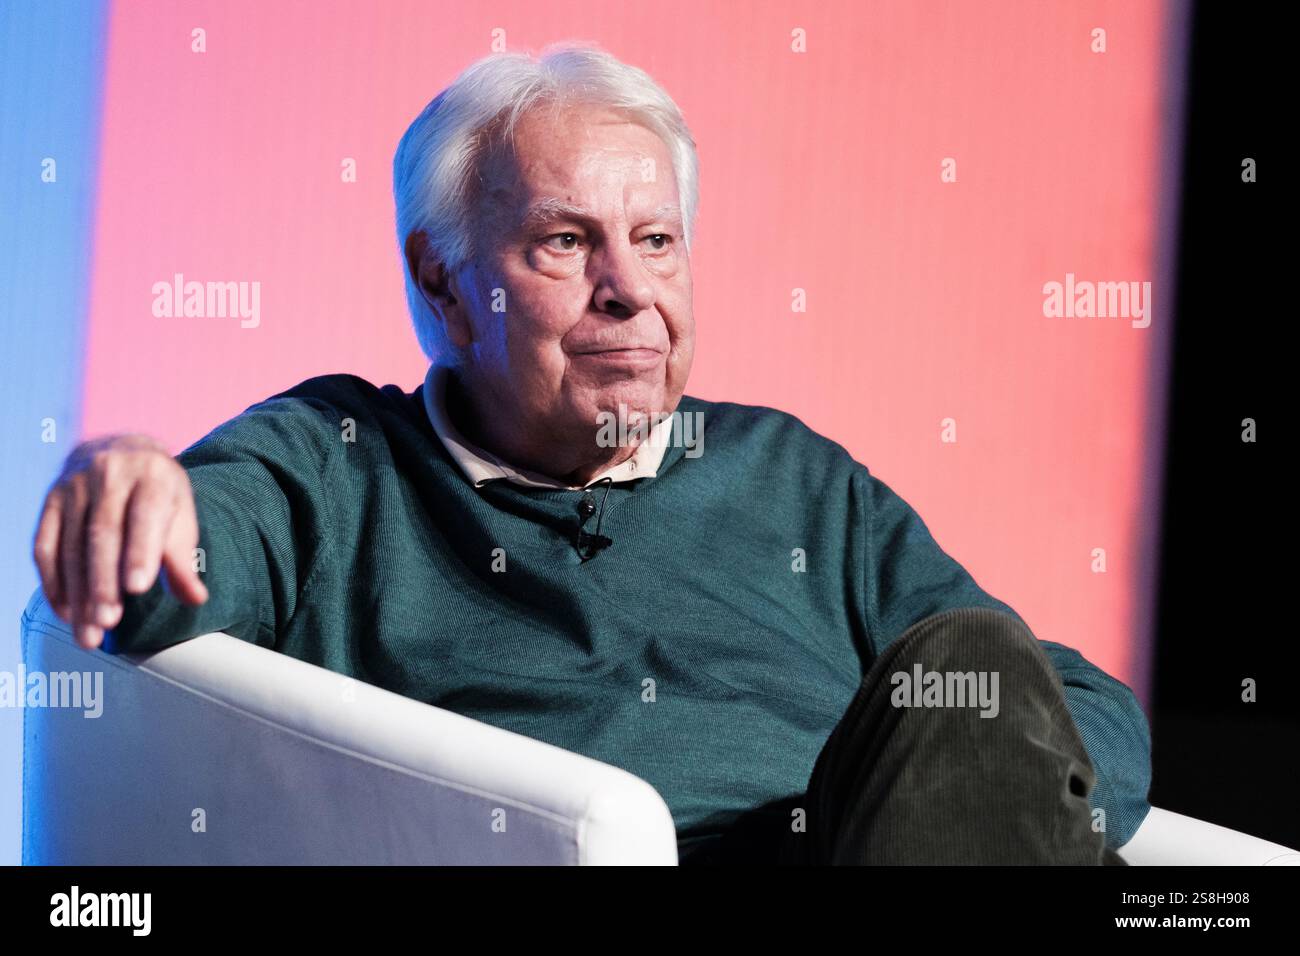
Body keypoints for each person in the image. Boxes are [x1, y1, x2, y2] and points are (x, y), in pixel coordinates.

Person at [31, 43, 1151, 865]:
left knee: (969, 666)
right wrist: (131, 484)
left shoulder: (796, 479)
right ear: (442, 282)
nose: (629, 289)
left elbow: (1065, 709)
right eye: (567, 241)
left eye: (656, 240)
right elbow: (166, 576)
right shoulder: (338, 459)